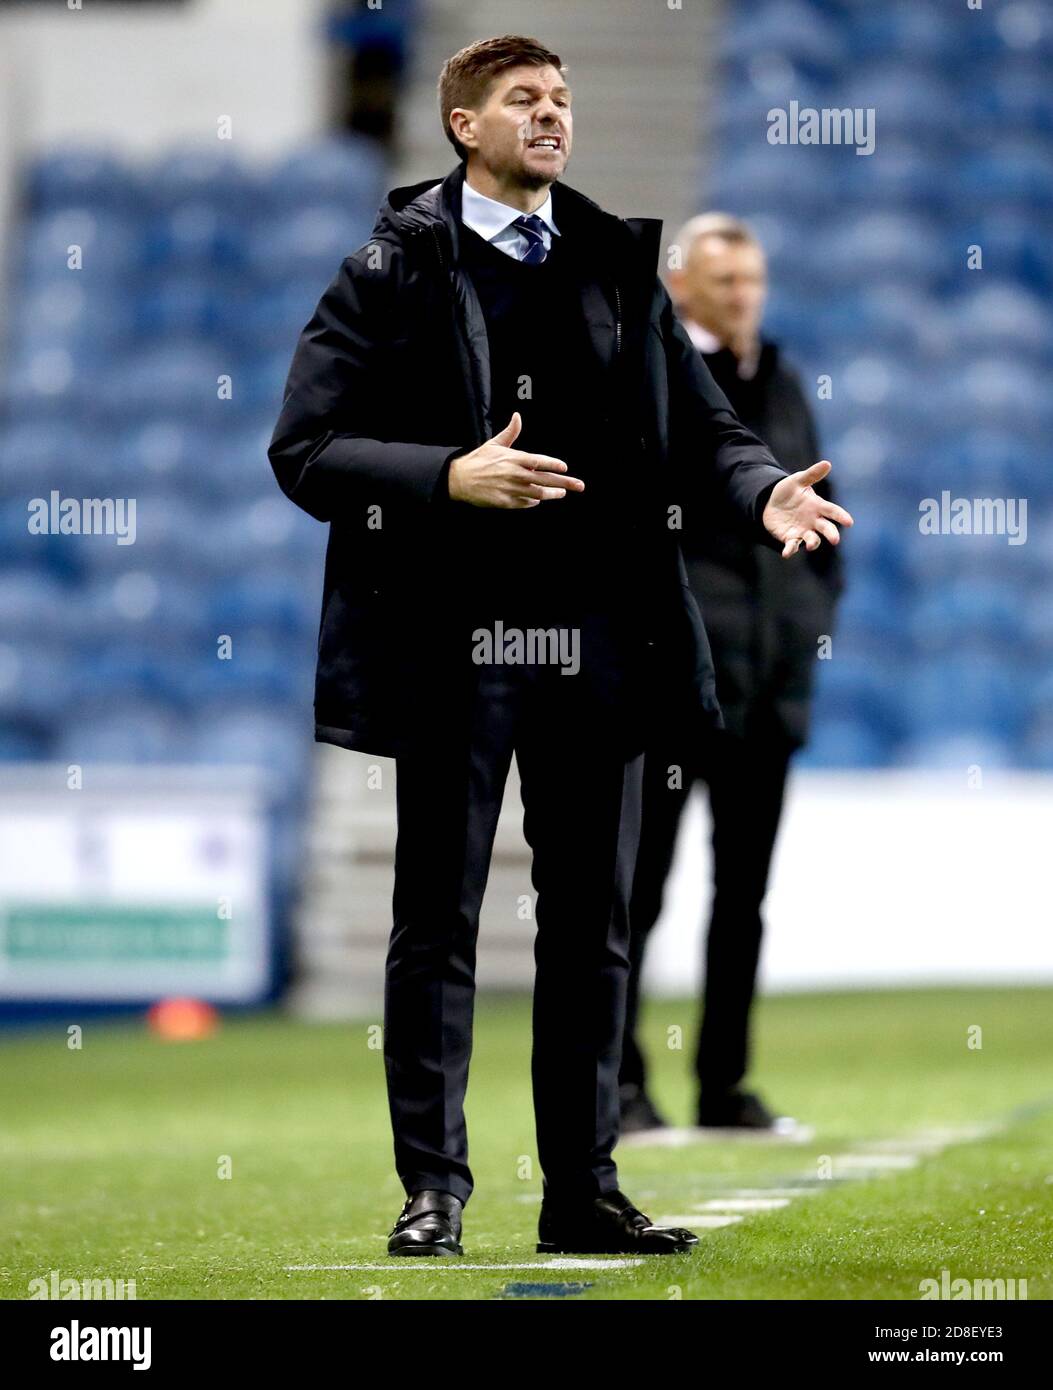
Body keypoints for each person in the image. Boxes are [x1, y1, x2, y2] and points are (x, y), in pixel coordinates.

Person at [268, 35, 852, 1257]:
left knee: (591, 925)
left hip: (598, 642)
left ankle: (583, 1189)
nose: (553, 116)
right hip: (450, 643)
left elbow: (705, 426)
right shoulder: (389, 267)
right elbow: (306, 451)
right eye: (524, 100)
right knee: (438, 920)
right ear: (464, 126)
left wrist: (759, 493)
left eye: (564, 100)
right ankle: (435, 1191)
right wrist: (448, 475)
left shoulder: (614, 262)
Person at [619, 214, 845, 1136]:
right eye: (723, 282)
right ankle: (621, 1088)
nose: (743, 296)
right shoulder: (661, 378)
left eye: (751, 280)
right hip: (676, 689)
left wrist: (805, 630)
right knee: (638, 894)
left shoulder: (786, 380)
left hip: (766, 691)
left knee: (741, 900)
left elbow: (827, 521)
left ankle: (724, 1086)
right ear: (681, 288)